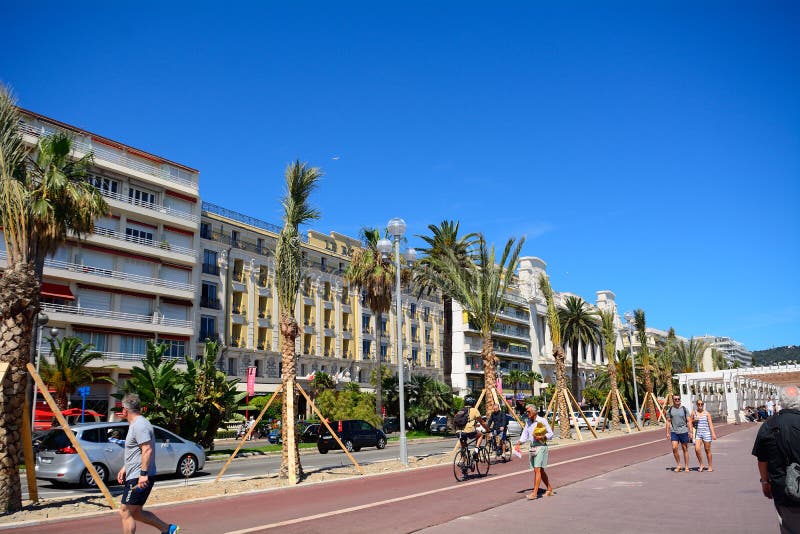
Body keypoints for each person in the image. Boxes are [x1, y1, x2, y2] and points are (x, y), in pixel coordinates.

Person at [116, 393, 180, 534]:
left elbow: (147, 450)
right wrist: (125, 467)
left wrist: (143, 475)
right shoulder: (136, 424)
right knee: (137, 512)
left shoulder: (140, 425)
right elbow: (137, 450)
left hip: (140, 476)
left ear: (125, 410)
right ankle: (167, 529)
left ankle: (167, 528)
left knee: (125, 511)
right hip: (136, 474)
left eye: (122, 410)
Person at [752, 385, 800, 533]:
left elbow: (762, 459)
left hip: (782, 488)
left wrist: (765, 482)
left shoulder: (769, 425)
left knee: (789, 527)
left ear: (781, 401)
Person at [515, 404, 554, 499]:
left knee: (537, 469)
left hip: (541, 446)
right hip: (532, 447)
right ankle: (549, 489)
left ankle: (535, 493)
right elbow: (525, 434)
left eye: (529, 411)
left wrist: (542, 437)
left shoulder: (542, 420)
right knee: (540, 470)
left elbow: (551, 434)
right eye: (526, 411)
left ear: (535, 411)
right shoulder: (528, 422)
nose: (527, 413)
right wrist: (519, 443)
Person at [666, 395, 692, 472]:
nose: (677, 400)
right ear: (673, 400)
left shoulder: (684, 409)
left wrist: (690, 432)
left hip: (684, 431)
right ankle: (679, 465)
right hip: (674, 431)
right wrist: (667, 432)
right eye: (675, 399)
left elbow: (689, 421)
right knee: (674, 448)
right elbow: (668, 421)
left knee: (685, 449)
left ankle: (687, 466)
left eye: (678, 399)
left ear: (680, 399)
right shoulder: (670, 410)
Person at [690, 399, 717, 472]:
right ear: (696, 405)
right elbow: (689, 422)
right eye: (699, 404)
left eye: (701, 404)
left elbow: (710, 424)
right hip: (697, 433)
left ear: (703, 405)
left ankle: (710, 466)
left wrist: (713, 433)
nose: (700, 405)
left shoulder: (707, 413)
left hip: (706, 433)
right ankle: (701, 464)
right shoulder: (694, 413)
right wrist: (694, 421)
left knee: (707, 449)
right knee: (697, 449)